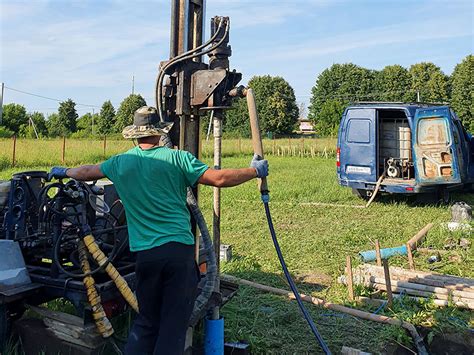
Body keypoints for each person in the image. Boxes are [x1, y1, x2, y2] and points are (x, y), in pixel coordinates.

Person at [48, 106, 268, 355]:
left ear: (135, 135)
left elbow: (87, 172)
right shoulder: (177, 158)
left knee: (146, 323)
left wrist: (62, 171)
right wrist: (254, 171)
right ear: (160, 132)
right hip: (178, 254)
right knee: (173, 326)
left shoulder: (121, 162)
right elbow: (219, 178)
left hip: (145, 256)